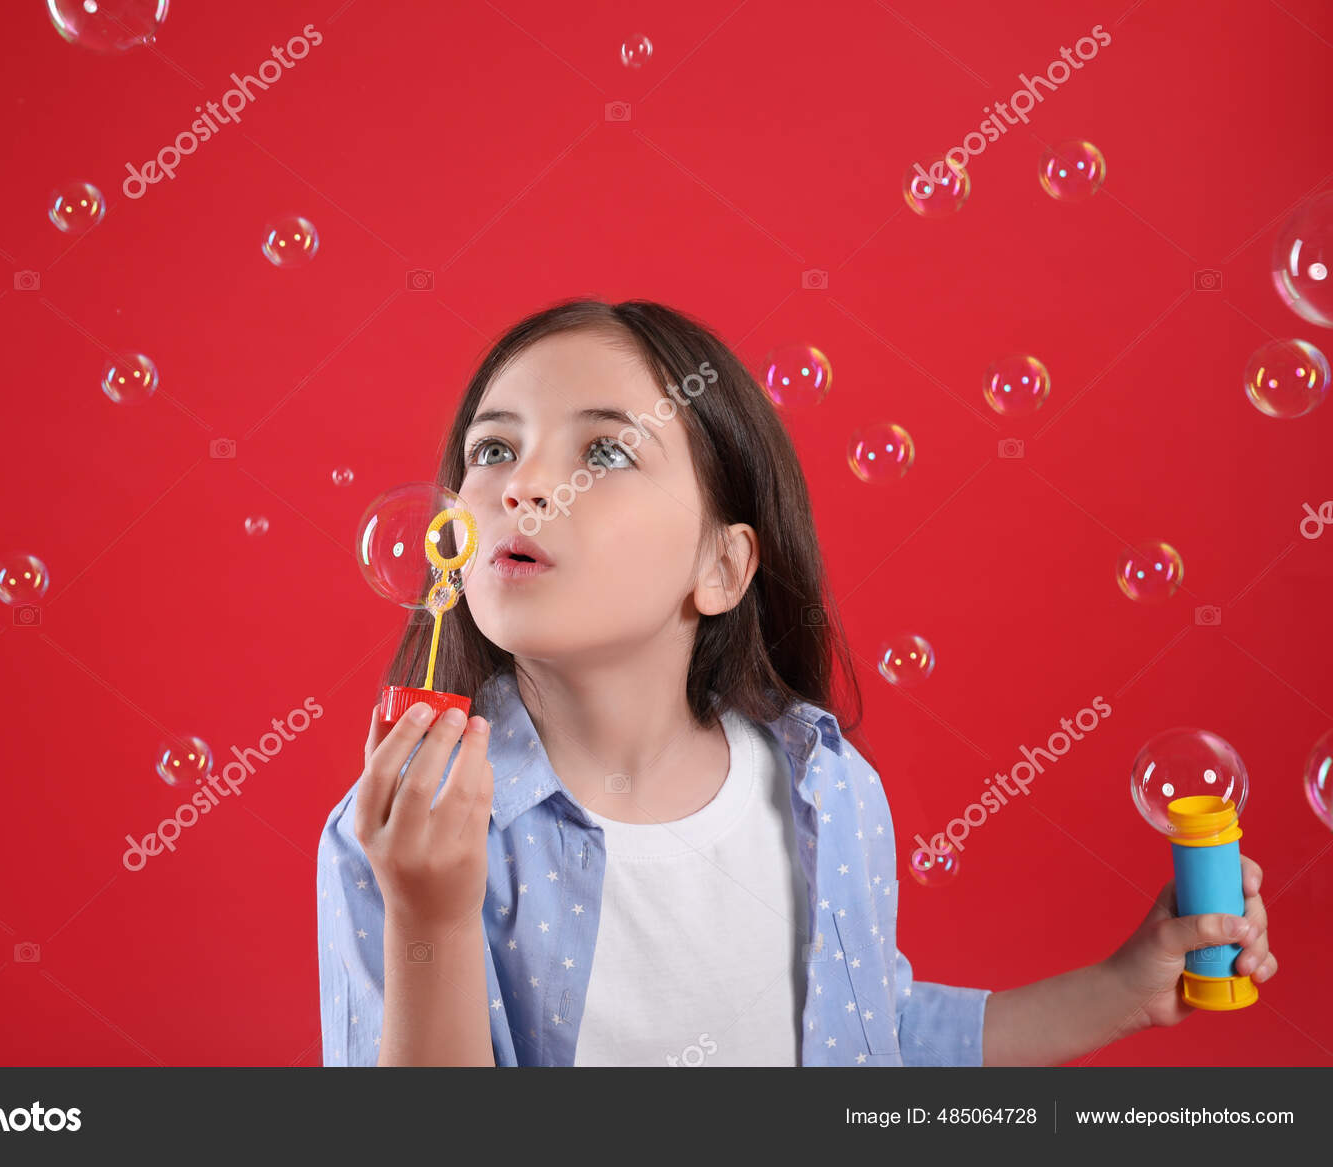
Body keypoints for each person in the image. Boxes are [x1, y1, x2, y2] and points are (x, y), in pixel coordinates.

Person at [316, 298, 1276, 1066]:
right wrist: (428, 914)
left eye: (603, 450)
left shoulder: (822, 787)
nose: (523, 485)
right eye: (493, 449)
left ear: (724, 569)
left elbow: (870, 1039)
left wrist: (1121, 991)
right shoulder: (404, 832)